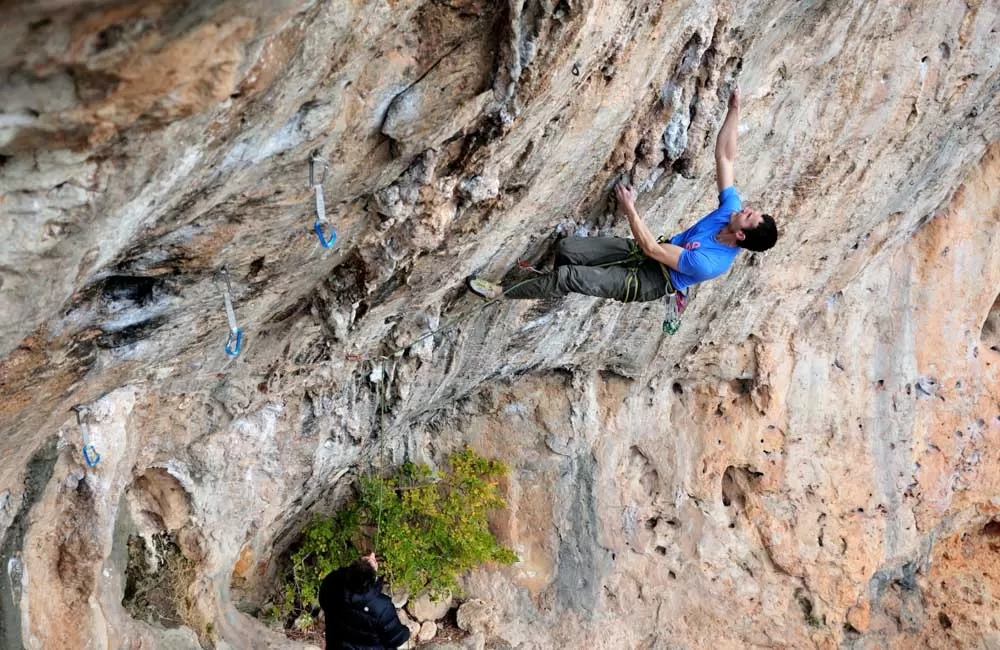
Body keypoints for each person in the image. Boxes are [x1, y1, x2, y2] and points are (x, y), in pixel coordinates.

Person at [466, 87, 777, 306]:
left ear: (739, 235)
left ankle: (503, 291)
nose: (745, 208)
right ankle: (551, 285)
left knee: (568, 276)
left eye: (749, 216)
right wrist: (734, 110)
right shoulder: (730, 211)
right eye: (751, 210)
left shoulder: (710, 263)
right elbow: (725, 157)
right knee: (567, 249)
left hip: (652, 280)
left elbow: (653, 248)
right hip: (649, 254)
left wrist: (630, 209)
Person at [318, 552, 411, 650]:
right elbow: (396, 639)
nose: (372, 555)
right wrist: (407, 631)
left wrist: (361, 566)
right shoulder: (382, 607)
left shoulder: (332, 584)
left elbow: (323, 601)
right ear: (373, 578)